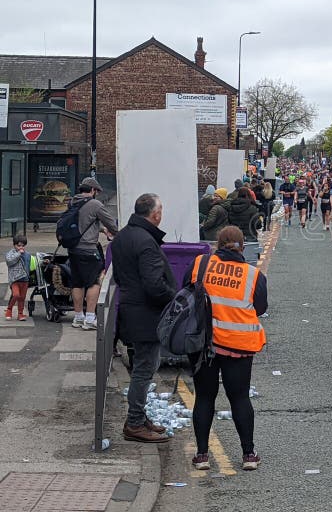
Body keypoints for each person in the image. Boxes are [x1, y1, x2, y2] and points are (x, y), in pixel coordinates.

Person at [186, 226, 268, 472]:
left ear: (217, 245)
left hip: (204, 344)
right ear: (242, 247)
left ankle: (202, 455)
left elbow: (187, 293)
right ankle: (248, 454)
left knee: (204, 397)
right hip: (238, 345)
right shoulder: (253, 275)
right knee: (240, 398)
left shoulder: (200, 264)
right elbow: (260, 307)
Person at [112, 194, 177, 444]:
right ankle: (135, 423)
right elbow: (154, 286)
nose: (162, 215)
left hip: (132, 310)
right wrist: (173, 298)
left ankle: (140, 417)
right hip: (146, 314)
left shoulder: (124, 236)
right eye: (161, 210)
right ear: (155, 214)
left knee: (144, 367)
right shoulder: (146, 241)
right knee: (144, 370)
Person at [69, 177, 118, 330]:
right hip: (89, 250)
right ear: (92, 190)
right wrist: (116, 232)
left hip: (73, 249)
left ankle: (78, 317)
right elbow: (111, 223)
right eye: (96, 191)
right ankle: (90, 318)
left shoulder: (72, 202)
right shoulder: (95, 204)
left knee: (77, 283)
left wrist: (100, 229)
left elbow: (83, 222)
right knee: (94, 282)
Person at [5, 234, 33, 321]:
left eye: (23, 245)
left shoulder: (27, 254)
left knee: (22, 297)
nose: (21, 247)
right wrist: (18, 254)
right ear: (14, 245)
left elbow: (30, 264)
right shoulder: (11, 253)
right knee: (16, 295)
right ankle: (9, 309)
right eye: (18, 245)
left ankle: (20, 313)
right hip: (14, 279)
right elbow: (9, 261)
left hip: (25, 279)